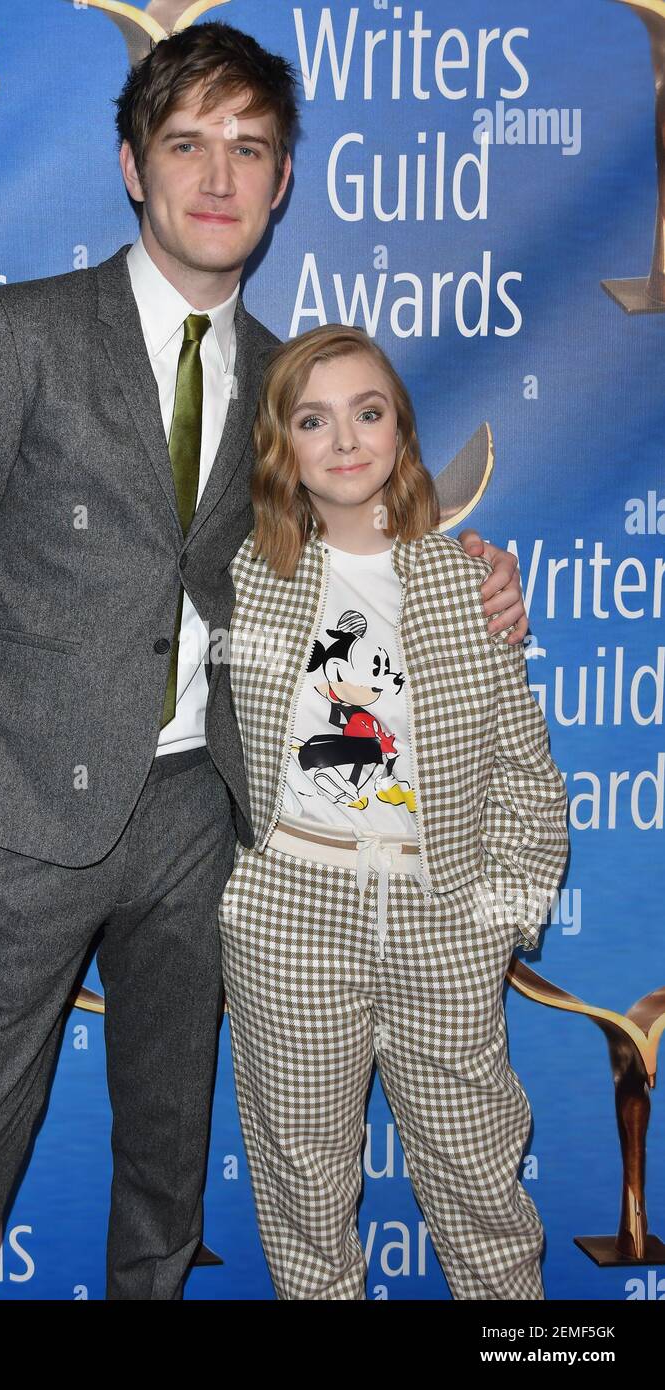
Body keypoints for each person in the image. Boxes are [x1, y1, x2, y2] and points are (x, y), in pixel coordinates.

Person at [0, 22, 530, 1301]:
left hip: (204, 820)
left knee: (168, 1163)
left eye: (250, 147)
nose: (219, 177)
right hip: (15, 819)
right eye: (187, 144)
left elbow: (351, 539)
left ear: (283, 180)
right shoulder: (22, 331)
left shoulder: (283, 380)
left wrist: (462, 573)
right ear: (133, 166)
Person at [217, 323, 569, 1301]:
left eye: (366, 412)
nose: (343, 439)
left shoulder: (468, 584)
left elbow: (525, 780)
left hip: (439, 919)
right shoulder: (241, 578)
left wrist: (496, 919)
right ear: (281, 447)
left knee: (478, 1188)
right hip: (286, 916)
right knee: (302, 1202)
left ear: (400, 430)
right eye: (312, 419)